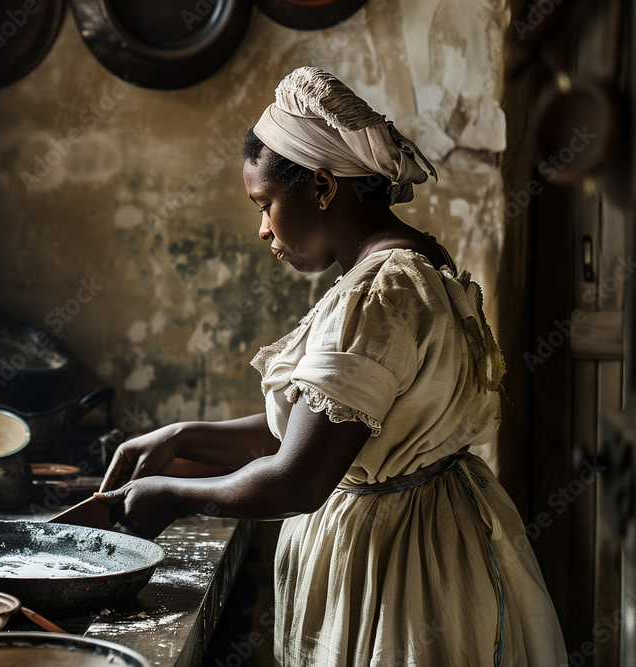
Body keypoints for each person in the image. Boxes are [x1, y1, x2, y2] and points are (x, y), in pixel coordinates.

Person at [94, 67, 567, 666]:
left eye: (264, 204)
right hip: (427, 534)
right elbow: (319, 431)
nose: (263, 228)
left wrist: (172, 496)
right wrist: (180, 437)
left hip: (399, 564)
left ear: (321, 186)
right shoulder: (408, 266)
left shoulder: (381, 295)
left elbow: (303, 477)